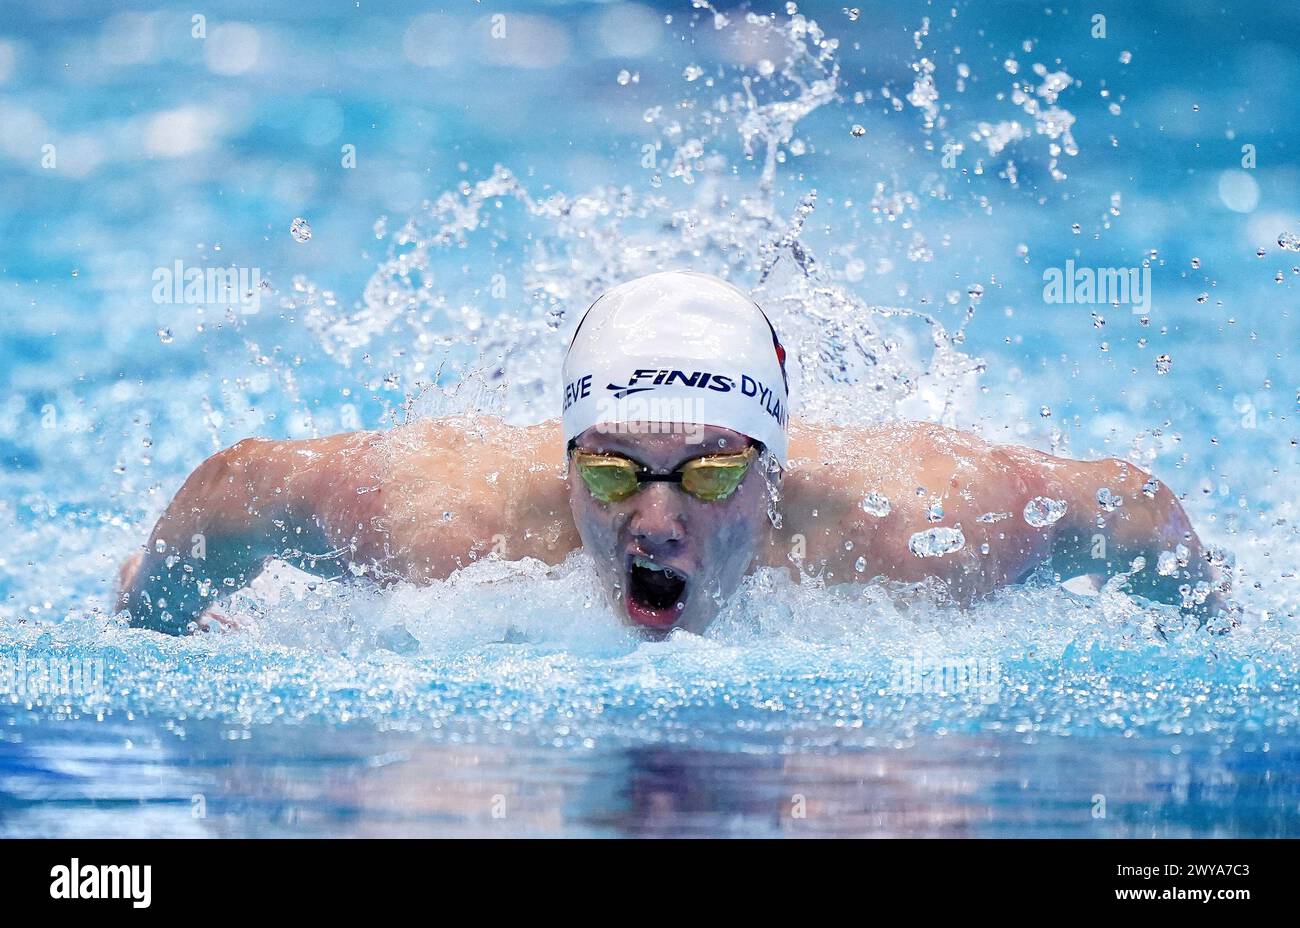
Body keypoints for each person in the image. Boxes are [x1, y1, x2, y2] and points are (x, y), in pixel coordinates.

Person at [116, 271, 1229, 635]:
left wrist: (1220, 621)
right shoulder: (435, 522)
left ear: (776, 472)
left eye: (707, 473)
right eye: (608, 471)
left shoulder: (923, 529)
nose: (654, 521)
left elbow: (1127, 508)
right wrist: (152, 617)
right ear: (562, 468)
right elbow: (238, 487)